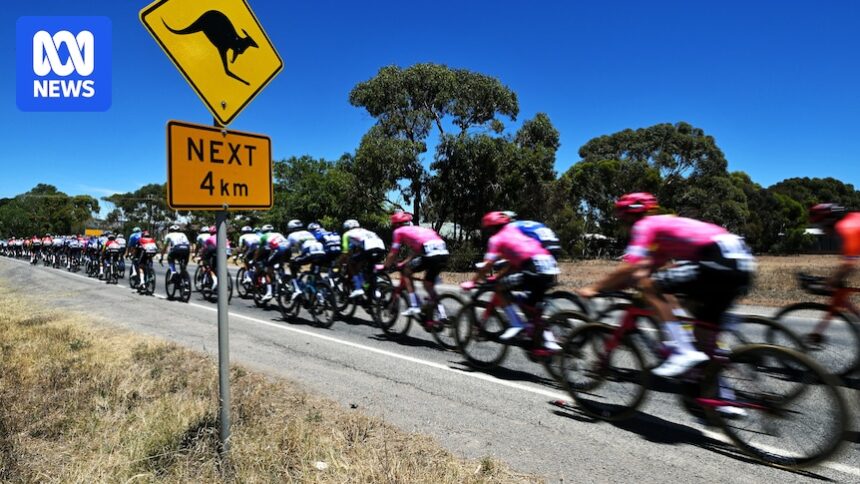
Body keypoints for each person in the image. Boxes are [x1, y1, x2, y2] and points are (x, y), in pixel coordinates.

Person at [577, 193, 755, 378]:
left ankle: (682, 350)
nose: (621, 220)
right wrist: (617, 285)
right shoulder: (664, 226)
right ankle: (719, 389)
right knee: (699, 327)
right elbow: (649, 268)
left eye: (622, 215)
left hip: (716, 260)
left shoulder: (645, 225)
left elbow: (632, 266)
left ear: (631, 214)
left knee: (650, 287)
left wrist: (595, 288)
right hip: (741, 262)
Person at [460, 211, 561, 353]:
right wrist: (499, 275)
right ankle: (547, 341)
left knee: (499, 288)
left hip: (532, 268)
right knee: (531, 307)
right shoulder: (516, 233)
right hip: (549, 267)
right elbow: (515, 262)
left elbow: (487, 264)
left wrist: (472, 282)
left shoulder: (496, 239)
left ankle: (516, 323)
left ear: (490, 228)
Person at [806, 203, 860, 344]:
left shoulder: (845, 228)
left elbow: (848, 265)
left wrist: (830, 281)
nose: (822, 231)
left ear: (828, 222)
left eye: (820, 226)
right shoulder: (851, 220)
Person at [380, 212, 449, 319]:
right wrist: (404, 262)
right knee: (428, 284)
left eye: (393, 225)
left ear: (397, 225)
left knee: (406, 272)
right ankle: (441, 313)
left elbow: (393, 253)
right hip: (444, 254)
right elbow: (416, 251)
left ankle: (414, 305)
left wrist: (385, 266)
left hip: (431, 255)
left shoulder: (399, 231)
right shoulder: (420, 229)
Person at [338, 220, 386, 299]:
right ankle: (375, 290)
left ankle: (358, 288)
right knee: (370, 268)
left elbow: (345, 252)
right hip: (381, 249)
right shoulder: (366, 231)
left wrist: (339, 262)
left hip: (368, 250)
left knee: (351, 264)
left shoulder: (347, 234)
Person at [255, 224, 289, 302]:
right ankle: (284, 280)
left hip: (279, 250)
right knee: (281, 264)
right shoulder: (278, 234)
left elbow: (260, 250)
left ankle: (269, 293)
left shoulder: (263, 237)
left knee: (267, 269)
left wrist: (256, 259)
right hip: (288, 250)